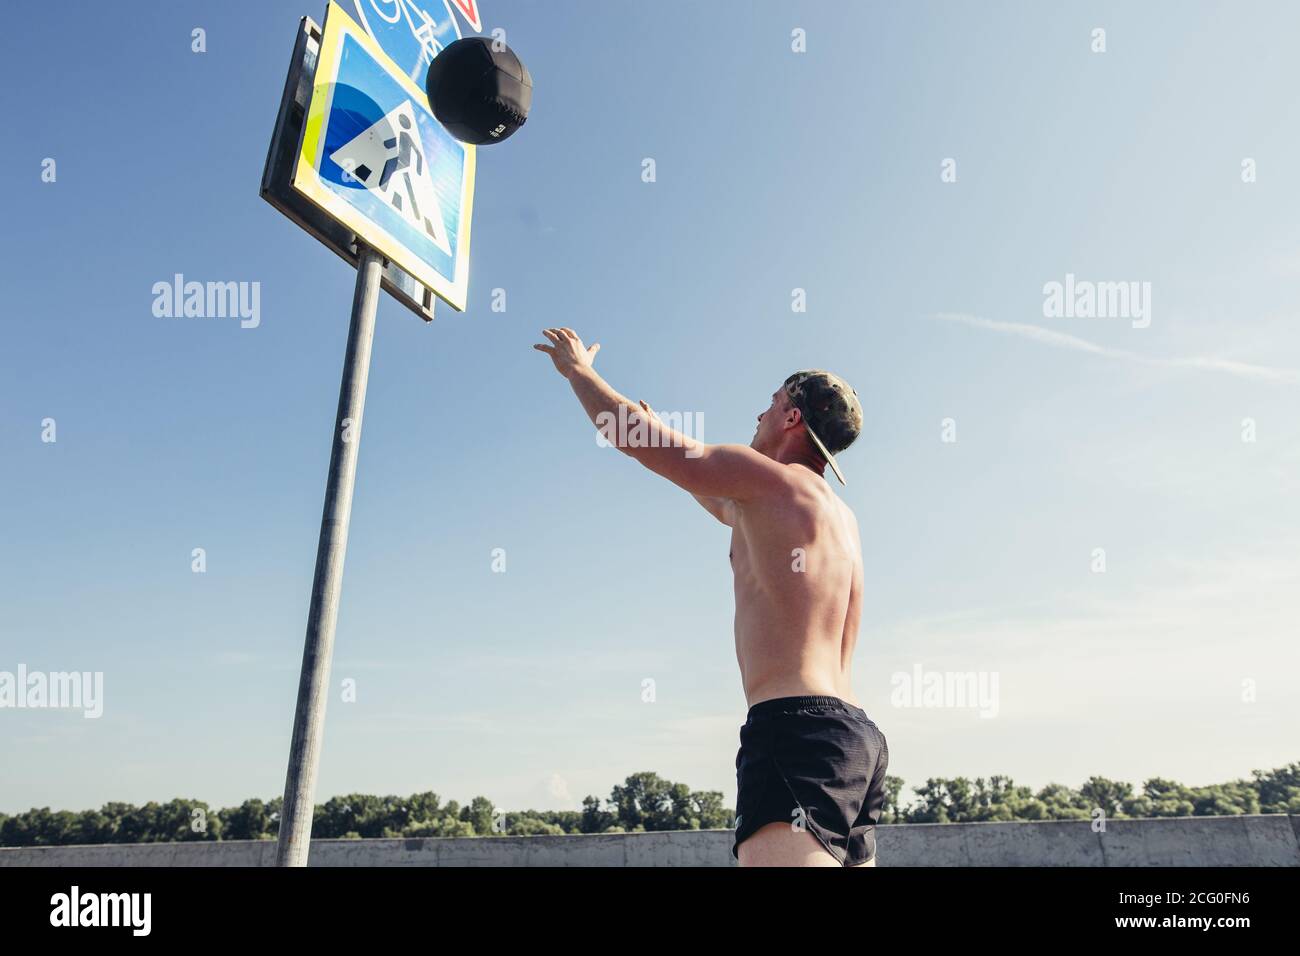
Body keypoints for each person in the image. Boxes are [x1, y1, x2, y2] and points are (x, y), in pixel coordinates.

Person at [534, 328, 889, 867]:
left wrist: (579, 372)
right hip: (856, 741)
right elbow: (714, 494)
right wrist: (651, 436)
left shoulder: (768, 480)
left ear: (793, 417)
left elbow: (633, 436)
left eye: (770, 404)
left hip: (796, 730)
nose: (758, 415)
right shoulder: (836, 516)